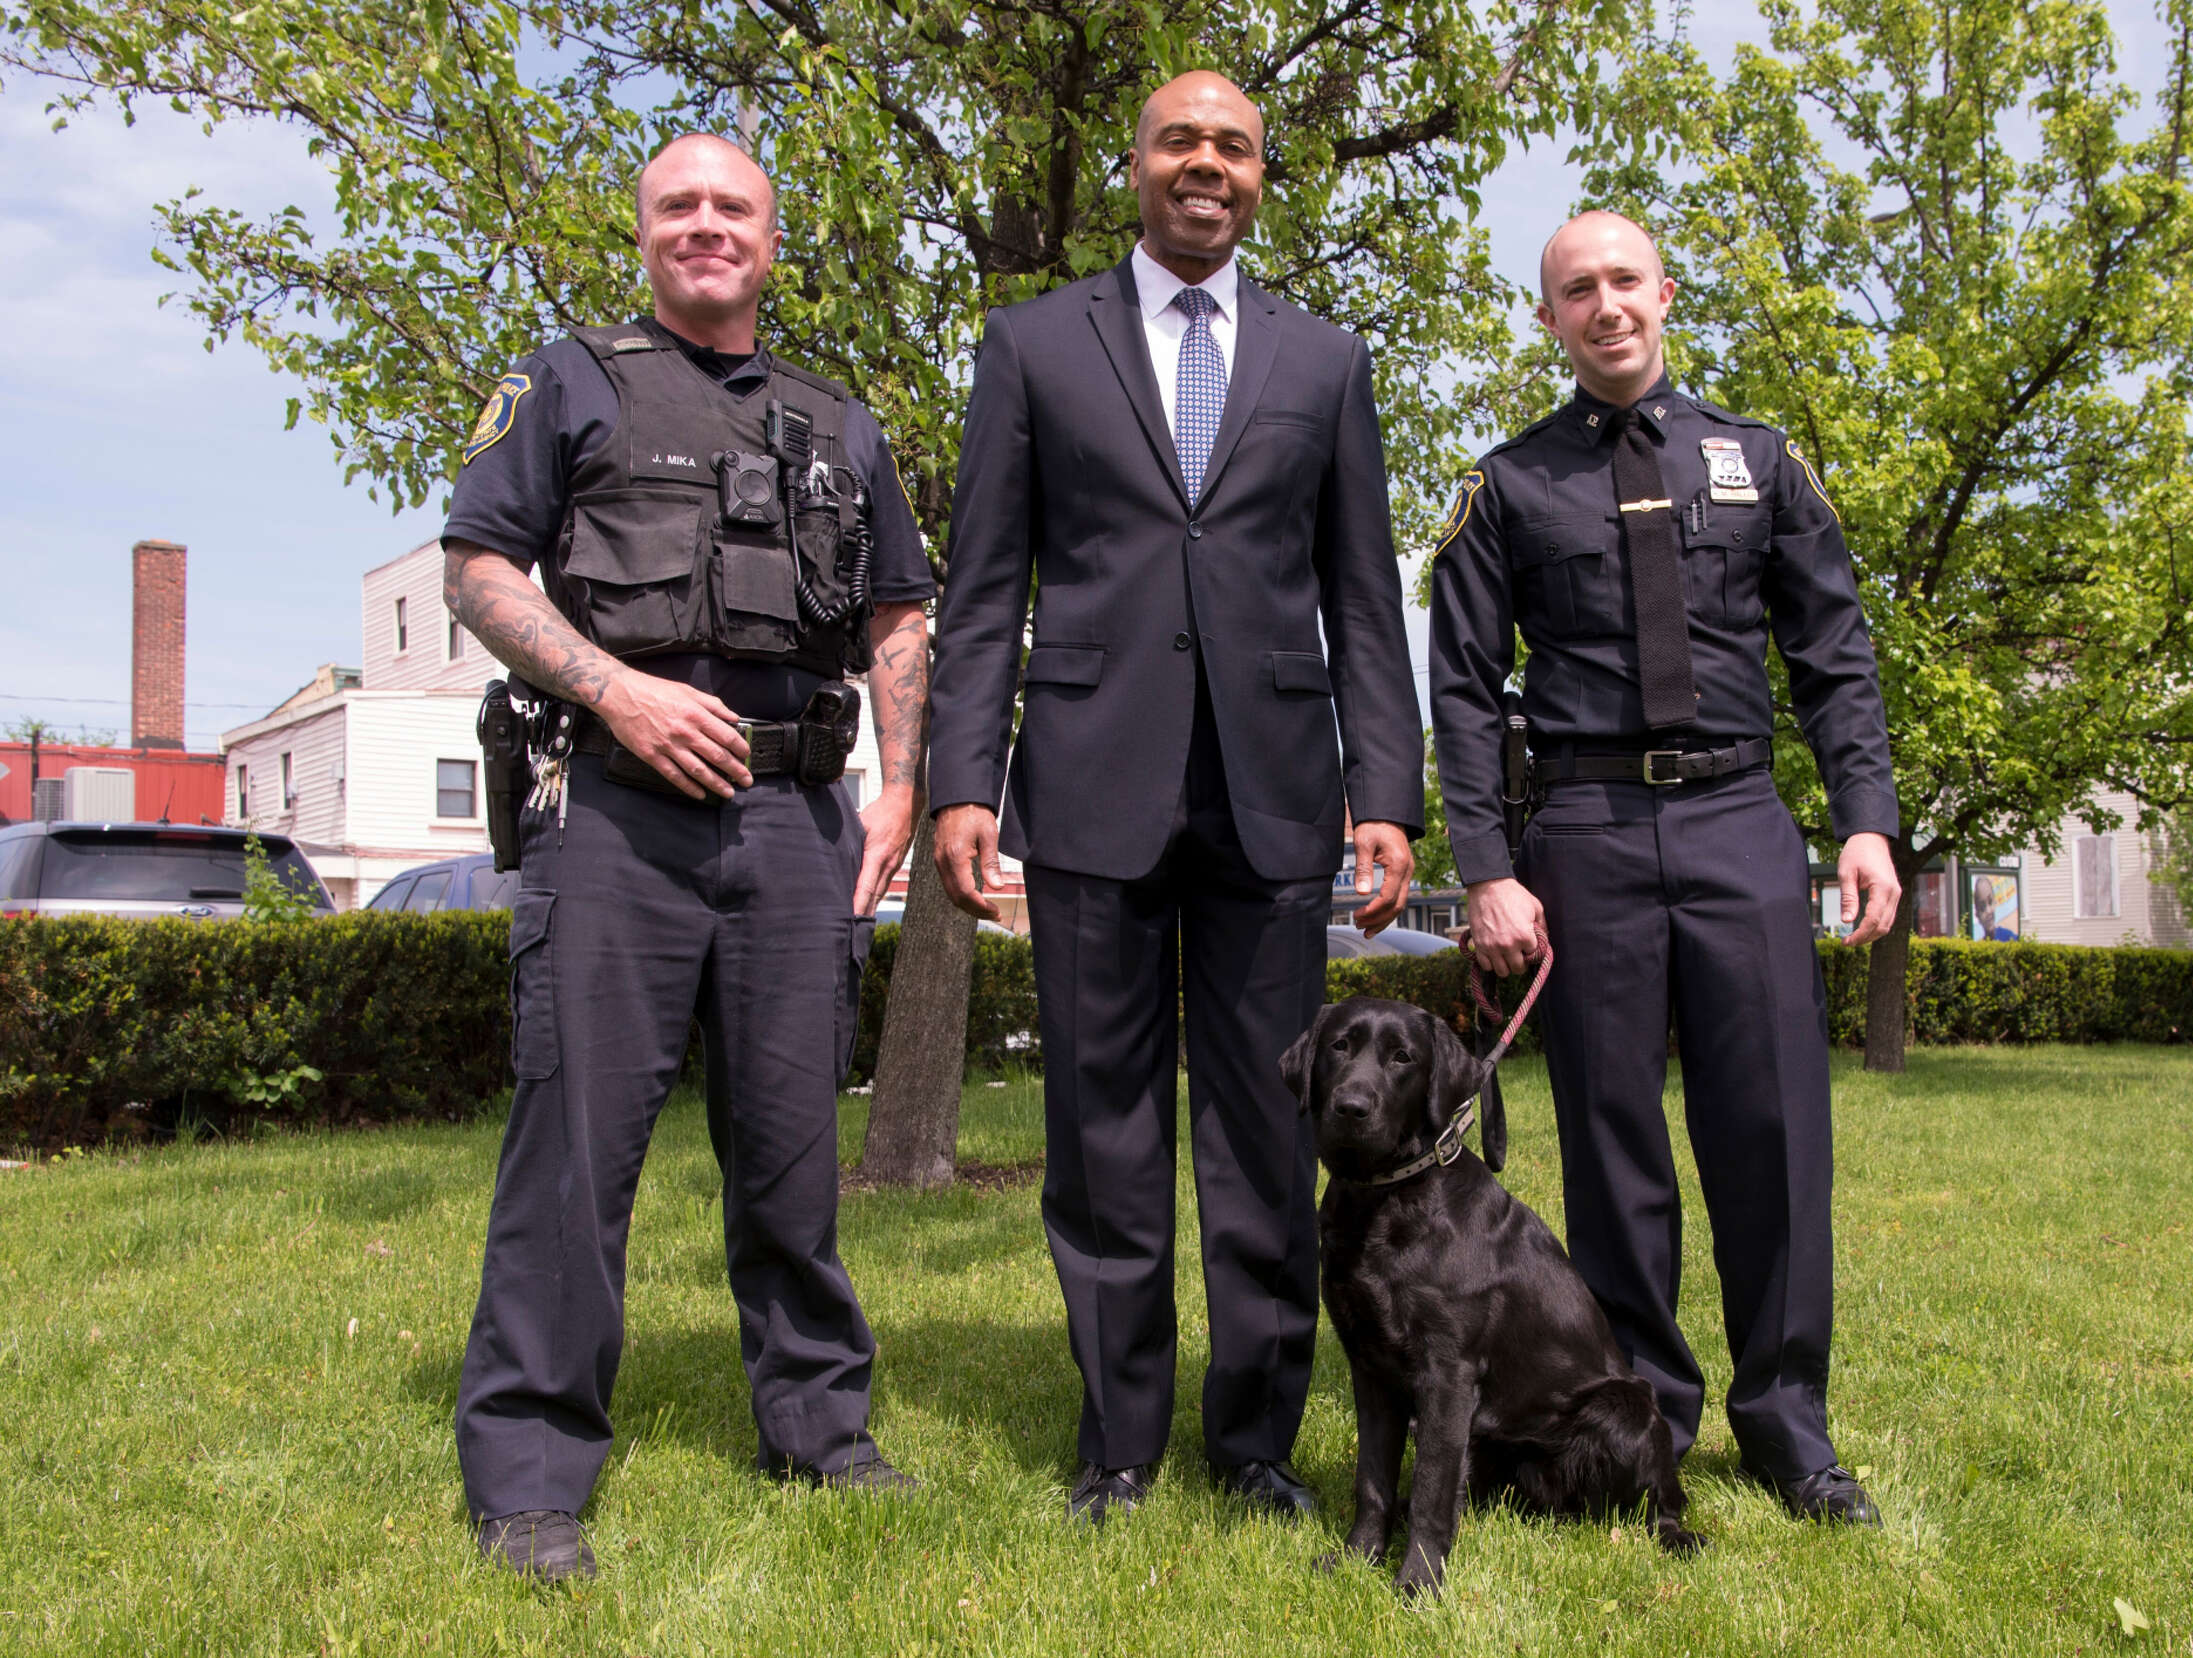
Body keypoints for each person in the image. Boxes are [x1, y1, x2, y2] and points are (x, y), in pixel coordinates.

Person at [925, 72, 1423, 1524]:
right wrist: (966, 776)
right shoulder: (1031, 344)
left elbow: (1361, 594)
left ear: (1261, 176)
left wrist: (1384, 785)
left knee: (1274, 1132)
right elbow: (982, 587)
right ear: (1134, 167)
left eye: (1235, 147)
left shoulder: (1326, 362)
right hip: (1088, 787)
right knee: (1104, 1129)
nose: (1207, 164)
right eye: (1180, 142)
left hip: (1275, 799)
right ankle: (1120, 1439)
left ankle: (1257, 1439)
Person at [440, 133, 936, 1580]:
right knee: (575, 1153)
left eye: (733, 208)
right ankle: (531, 1473)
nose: (706, 227)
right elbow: (478, 563)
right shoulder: (570, 378)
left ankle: (821, 1434)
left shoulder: (841, 422)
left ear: (773, 241)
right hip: (616, 819)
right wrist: (617, 689)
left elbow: (901, 611)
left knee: (789, 1156)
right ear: (645, 232)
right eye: (679, 208)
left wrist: (900, 787)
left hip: (797, 824)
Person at [1429, 210, 1903, 1526]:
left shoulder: (1759, 462)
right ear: (1550, 321)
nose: (1606, 306)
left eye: (1624, 280)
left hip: (1740, 823)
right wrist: (1485, 868)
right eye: (1577, 290)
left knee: (1771, 1132)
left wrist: (1864, 817)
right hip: (1582, 837)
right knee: (1615, 1145)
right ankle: (1644, 1416)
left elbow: (1834, 652)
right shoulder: (1510, 486)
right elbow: (1462, 690)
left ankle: (1789, 1427)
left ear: (1666, 293)